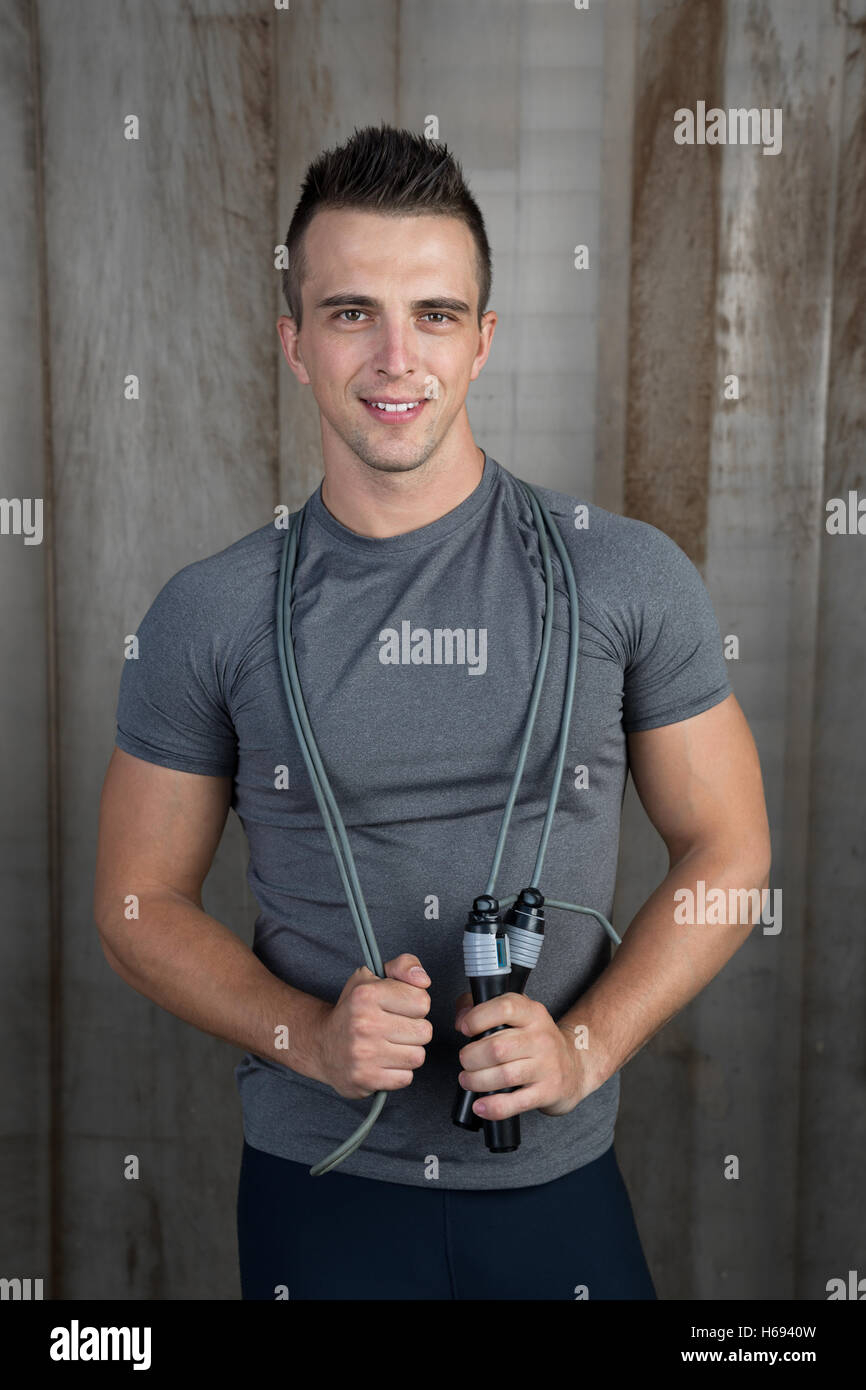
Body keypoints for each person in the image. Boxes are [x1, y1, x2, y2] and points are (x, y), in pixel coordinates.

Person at [93, 124, 771, 1301]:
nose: (395, 357)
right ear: (294, 342)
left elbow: (731, 849)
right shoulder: (209, 611)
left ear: (483, 340)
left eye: (436, 314)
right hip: (323, 1188)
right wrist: (308, 1034)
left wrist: (585, 1046)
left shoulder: (624, 576)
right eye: (351, 312)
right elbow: (135, 902)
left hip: (557, 1186)